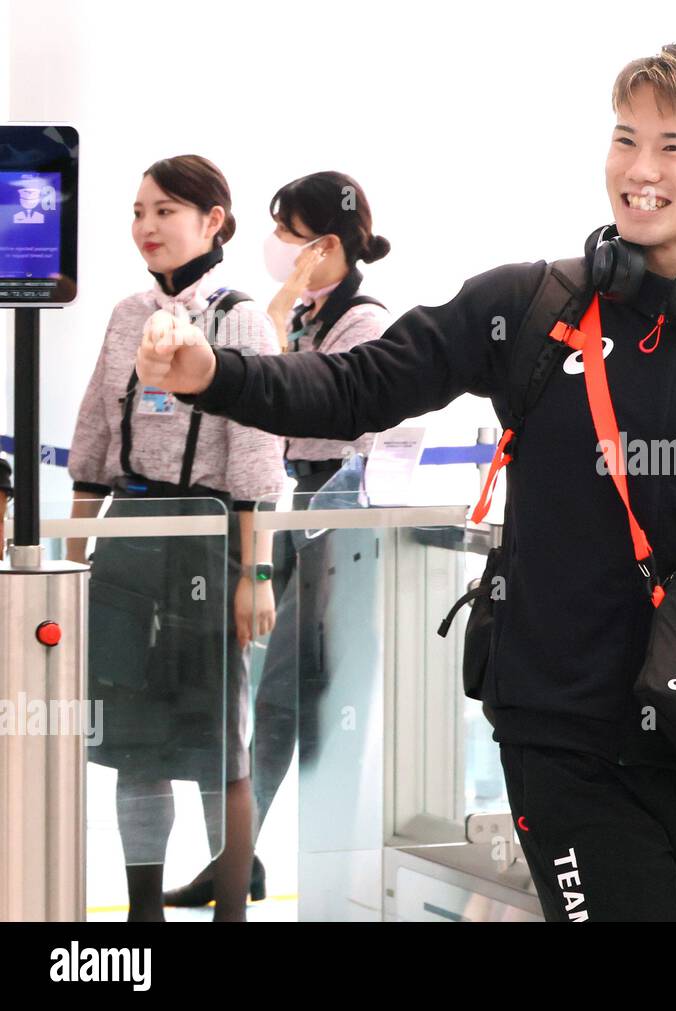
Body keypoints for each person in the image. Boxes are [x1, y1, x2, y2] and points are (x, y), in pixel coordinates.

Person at [136, 43, 676, 922]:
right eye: (624, 139)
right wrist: (215, 372)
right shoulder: (531, 311)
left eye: (673, 146)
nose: (639, 170)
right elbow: (357, 386)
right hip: (562, 735)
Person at [163, 171, 393, 907]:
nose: (277, 247)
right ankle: (242, 857)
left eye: (290, 233)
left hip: (344, 515)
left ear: (325, 243)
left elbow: (287, 395)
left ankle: (266, 864)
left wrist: (290, 288)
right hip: (301, 505)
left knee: (296, 693)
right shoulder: (307, 314)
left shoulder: (362, 322)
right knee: (275, 693)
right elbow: (268, 395)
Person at [68, 154, 285, 922]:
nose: (146, 227)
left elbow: (258, 453)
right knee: (131, 739)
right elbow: (95, 427)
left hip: (210, 536)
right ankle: (142, 914)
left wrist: (254, 574)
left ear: (212, 221)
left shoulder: (239, 317)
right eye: (137, 212)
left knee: (216, 741)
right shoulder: (128, 312)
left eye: (164, 211)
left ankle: (231, 911)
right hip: (130, 536)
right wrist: (73, 555)